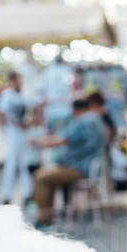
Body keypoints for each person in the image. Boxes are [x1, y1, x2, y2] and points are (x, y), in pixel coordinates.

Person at [30, 92, 109, 228]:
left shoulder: (83, 121)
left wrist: (39, 143)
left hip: (80, 168)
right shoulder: (96, 119)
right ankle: (47, 215)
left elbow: (63, 140)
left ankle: (44, 219)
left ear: (74, 111)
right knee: (45, 175)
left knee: (41, 177)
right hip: (88, 166)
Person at [0, 72, 35, 205]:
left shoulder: (21, 95)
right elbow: (1, 114)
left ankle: (28, 193)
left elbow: (30, 112)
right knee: (11, 164)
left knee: (24, 163)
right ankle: (6, 194)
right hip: (12, 133)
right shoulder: (7, 95)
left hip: (21, 133)